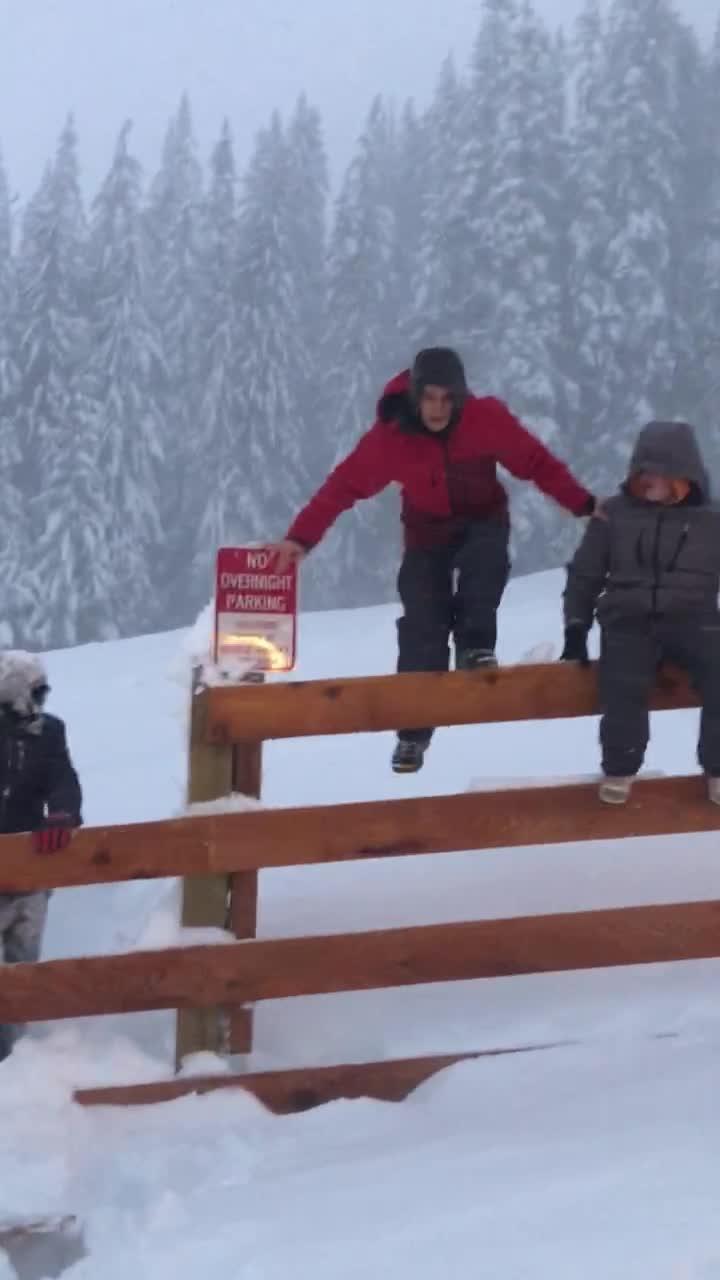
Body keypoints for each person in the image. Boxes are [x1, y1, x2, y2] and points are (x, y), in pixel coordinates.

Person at [274, 347, 596, 772]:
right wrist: (300, 539)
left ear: (460, 398)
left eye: (448, 399)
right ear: (414, 397)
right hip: (427, 534)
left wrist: (583, 504)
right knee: (423, 620)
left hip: (483, 519)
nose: (439, 409)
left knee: (485, 566)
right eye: (429, 398)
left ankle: (475, 648)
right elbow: (342, 487)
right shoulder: (391, 439)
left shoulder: (485, 419)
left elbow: (536, 463)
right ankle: (412, 732)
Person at [561, 420, 720, 805]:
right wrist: (576, 626)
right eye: (643, 472)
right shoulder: (613, 514)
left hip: (694, 619)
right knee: (622, 685)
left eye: (659, 473)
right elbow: (586, 572)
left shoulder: (711, 520)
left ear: (682, 473)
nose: (649, 481)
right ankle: (621, 766)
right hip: (628, 620)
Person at [0, 651, 82, 1062]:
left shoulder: (49, 733)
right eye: (37, 690)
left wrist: (64, 814)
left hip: (31, 868)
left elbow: (62, 779)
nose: (43, 698)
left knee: (23, 966)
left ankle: (16, 1061)